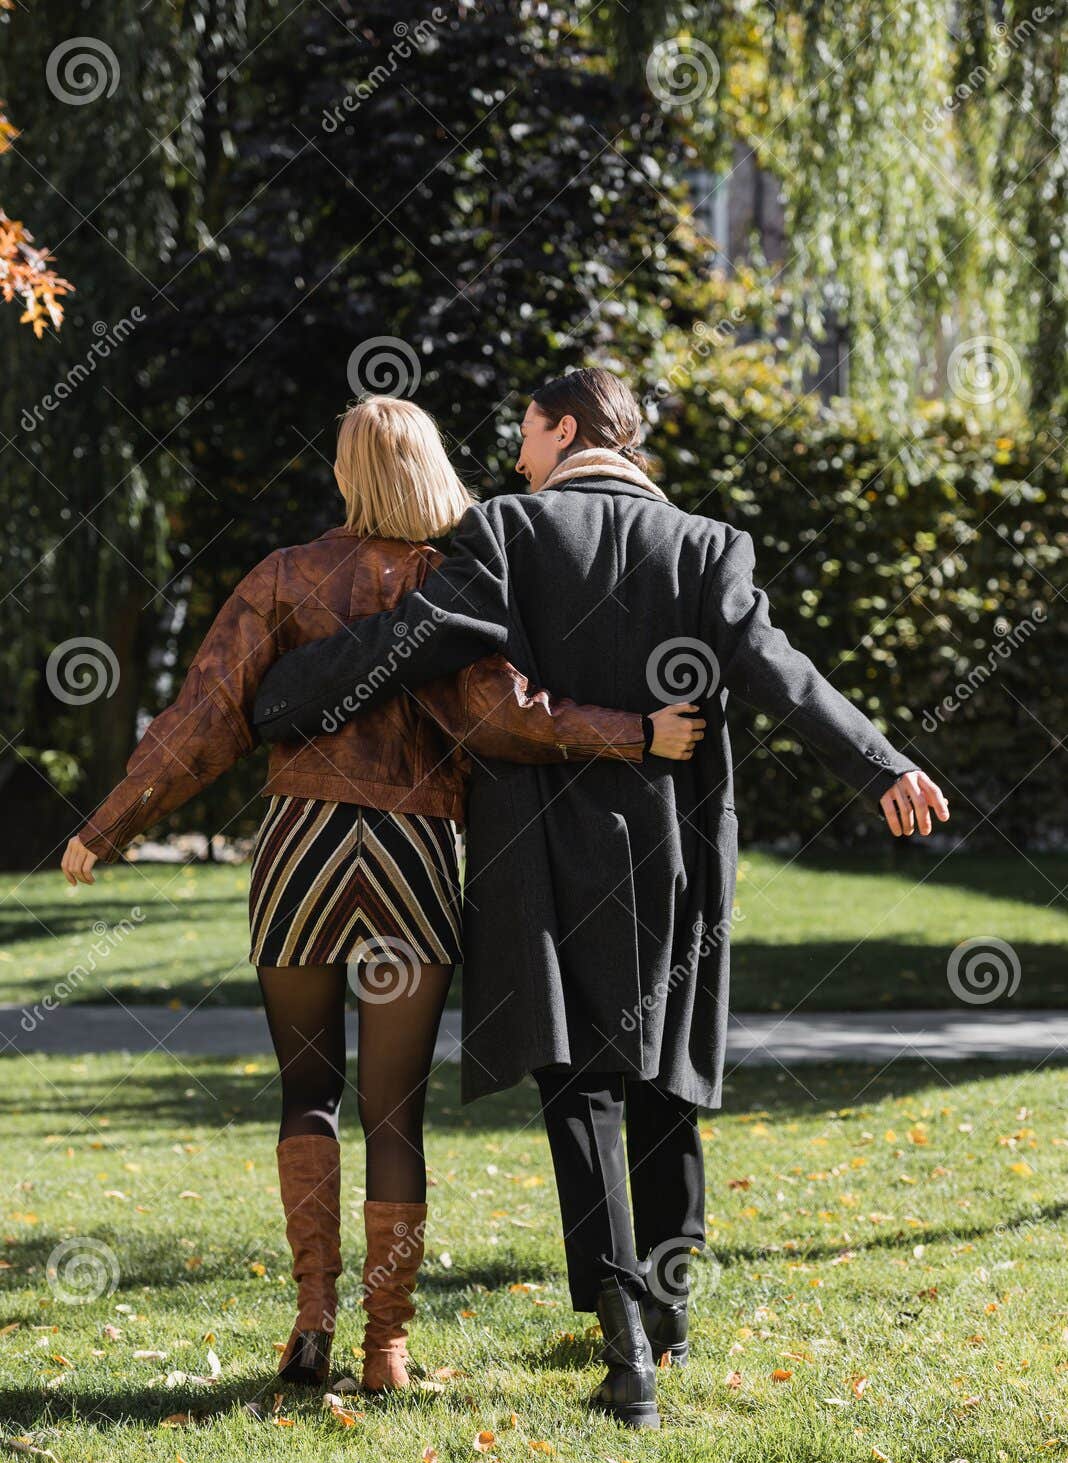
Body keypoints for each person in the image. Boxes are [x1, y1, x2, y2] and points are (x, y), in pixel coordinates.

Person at [251, 367, 950, 1429]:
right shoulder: (710, 546)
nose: (517, 454)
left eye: (526, 434)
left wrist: (287, 694)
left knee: (579, 1085)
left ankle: (628, 1343)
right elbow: (780, 672)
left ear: (563, 428)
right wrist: (884, 765)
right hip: (673, 852)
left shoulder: (509, 534)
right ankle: (664, 1306)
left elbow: (405, 644)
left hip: (539, 860)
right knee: (663, 1071)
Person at [60, 394, 703, 1395]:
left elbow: (205, 717)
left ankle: (311, 1323)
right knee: (394, 1115)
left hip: (301, 850)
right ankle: (386, 1348)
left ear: (345, 473)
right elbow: (510, 717)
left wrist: (106, 825)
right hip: (408, 858)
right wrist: (638, 733)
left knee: (306, 1094)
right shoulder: (458, 588)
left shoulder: (282, 579)